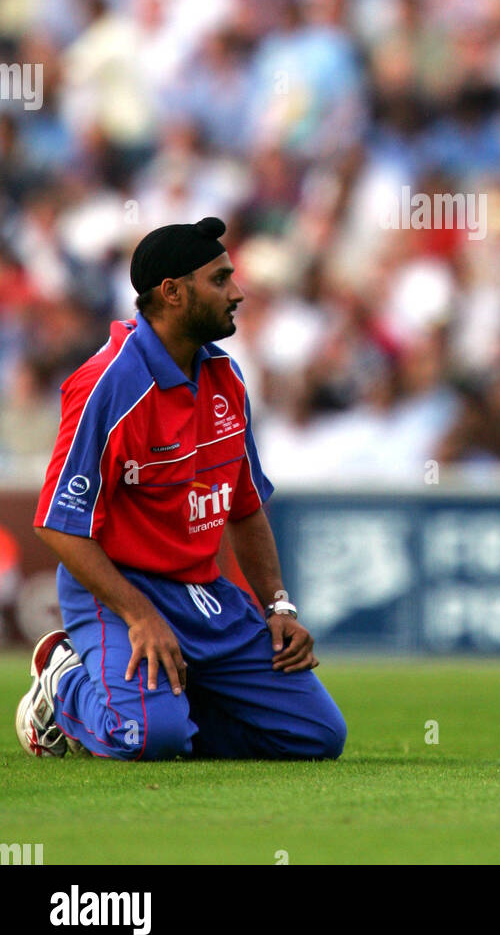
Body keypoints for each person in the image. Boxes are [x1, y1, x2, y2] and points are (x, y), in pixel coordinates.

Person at [16, 217, 346, 761]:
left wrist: (279, 607)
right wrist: (141, 614)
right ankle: (64, 685)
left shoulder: (227, 378)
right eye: (220, 280)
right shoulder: (109, 385)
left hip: (203, 595)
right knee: (145, 738)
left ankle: (173, 709)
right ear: (171, 293)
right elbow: (58, 524)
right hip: (119, 593)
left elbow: (245, 509)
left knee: (316, 737)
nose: (237, 292)